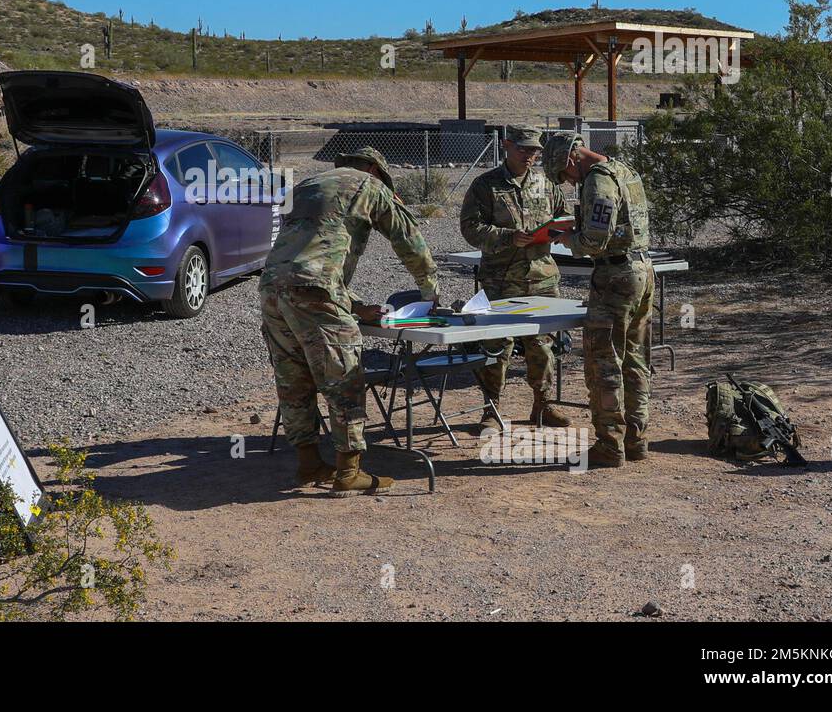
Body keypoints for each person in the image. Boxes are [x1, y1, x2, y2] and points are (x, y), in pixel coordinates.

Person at [259, 146, 440, 495]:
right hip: (316, 294)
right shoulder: (368, 186)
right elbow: (408, 238)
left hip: (272, 291)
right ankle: (348, 471)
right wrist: (430, 288)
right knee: (344, 380)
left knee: (294, 380)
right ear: (374, 168)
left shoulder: (307, 185)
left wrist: (354, 306)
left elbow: (304, 255)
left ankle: (309, 462)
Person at [541, 132, 655, 468]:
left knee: (604, 361)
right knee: (635, 359)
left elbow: (595, 240)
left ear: (571, 160)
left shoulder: (598, 181)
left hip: (616, 278)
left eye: (564, 175)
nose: (567, 182)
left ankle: (610, 444)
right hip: (642, 270)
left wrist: (566, 238)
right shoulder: (625, 170)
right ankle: (636, 439)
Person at [459, 124, 572, 431]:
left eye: (534, 151)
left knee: (544, 346)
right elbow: (470, 229)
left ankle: (543, 405)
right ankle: (492, 410)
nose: (529, 156)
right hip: (500, 280)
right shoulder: (486, 185)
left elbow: (562, 215)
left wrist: (560, 231)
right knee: (497, 346)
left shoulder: (546, 182)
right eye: (523, 149)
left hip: (542, 279)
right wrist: (509, 237)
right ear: (507, 146)